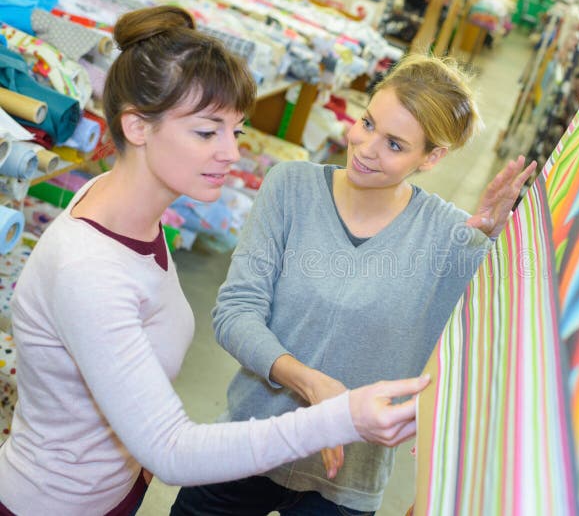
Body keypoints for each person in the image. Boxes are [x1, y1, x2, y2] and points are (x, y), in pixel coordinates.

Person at [0, 6, 431, 516]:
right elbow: (172, 450)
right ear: (137, 127)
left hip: (111, 492)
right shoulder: (88, 269)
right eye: (208, 133)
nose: (231, 152)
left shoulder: (124, 209)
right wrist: (343, 417)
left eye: (237, 131)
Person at [171, 54, 536, 515]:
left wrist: (492, 240)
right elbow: (235, 313)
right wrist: (313, 385)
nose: (365, 148)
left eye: (395, 145)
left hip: (344, 484)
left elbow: (506, 343)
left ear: (433, 157)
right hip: (247, 444)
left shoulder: (451, 238)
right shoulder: (290, 187)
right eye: (367, 123)